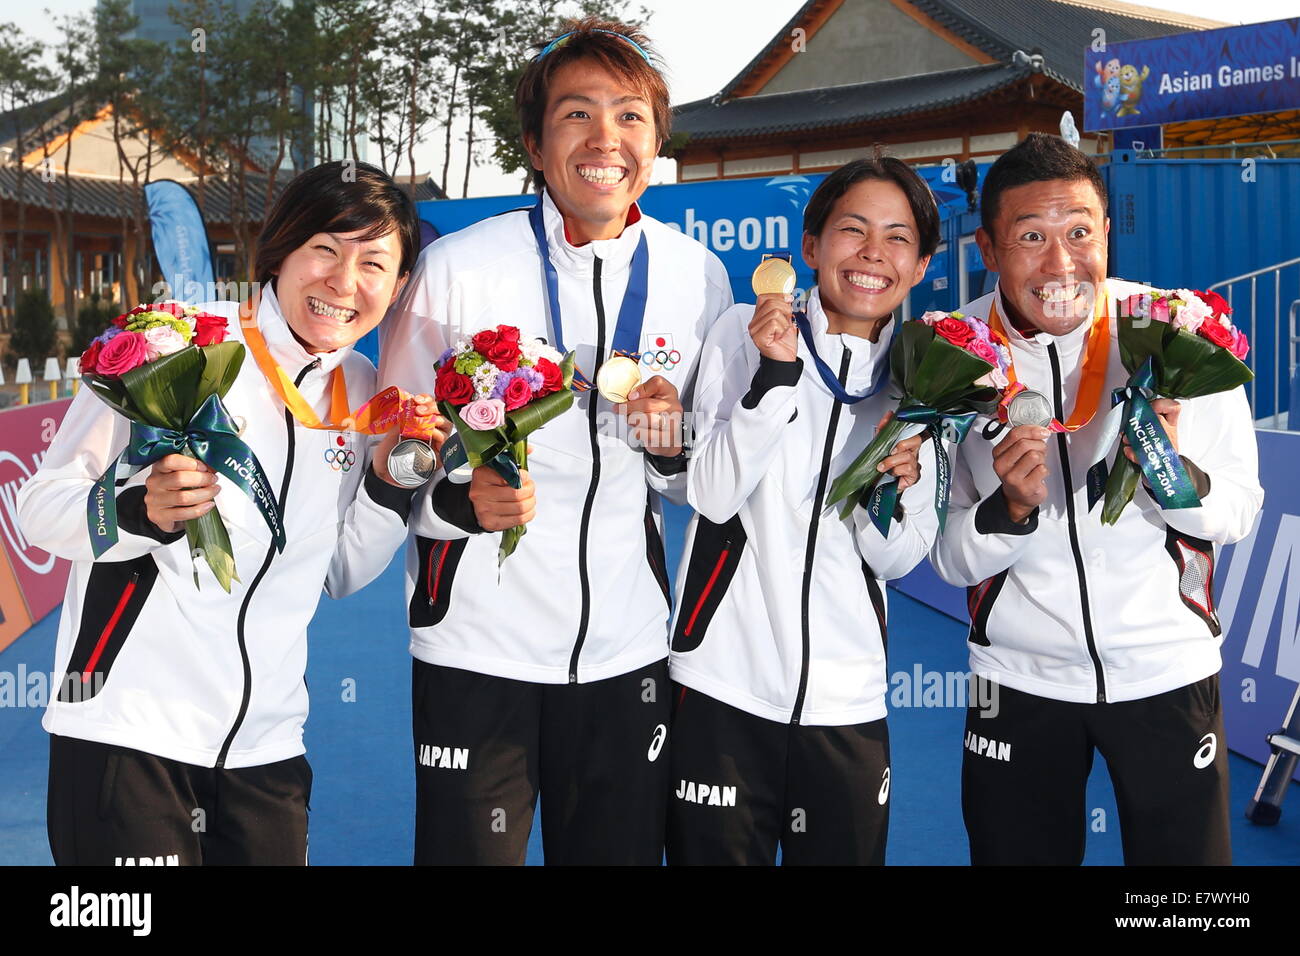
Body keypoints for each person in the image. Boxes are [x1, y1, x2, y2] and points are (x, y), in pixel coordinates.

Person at [18, 160, 446, 865]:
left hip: (268, 750)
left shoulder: (363, 392)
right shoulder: (176, 346)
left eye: (374, 263)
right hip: (130, 734)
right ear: (281, 251)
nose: (344, 283)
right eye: (325, 249)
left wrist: (385, 484)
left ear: (396, 288)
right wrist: (138, 511)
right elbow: (40, 508)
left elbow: (338, 572)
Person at [379, 17, 732, 865]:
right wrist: (459, 502)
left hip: (628, 647)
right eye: (576, 115)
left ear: (655, 142)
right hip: (475, 648)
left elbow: (707, 479)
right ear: (535, 145)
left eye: (630, 115)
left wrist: (671, 446)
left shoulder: (699, 277)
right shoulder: (460, 268)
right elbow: (390, 456)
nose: (604, 138)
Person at [930, 133, 1263, 865]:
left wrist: (1174, 478)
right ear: (988, 247)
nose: (1059, 264)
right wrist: (1007, 513)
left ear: (1106, 233)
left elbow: (1238, 512)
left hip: (1167, 671)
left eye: (1079, 233)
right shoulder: (949, 355)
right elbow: (949, 556)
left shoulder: (1179, 333)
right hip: (1014, 679)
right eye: (1031, 237)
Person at [665, 157, 940, 865]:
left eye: (897, 237)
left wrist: (888, 493)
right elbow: (713, 493)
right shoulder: (743, 331)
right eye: (852, 230)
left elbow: (901, 558)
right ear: (811, 247)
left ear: (921, 264)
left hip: (846, 707)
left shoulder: (927, 379)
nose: (873, 253)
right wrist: (776, 379)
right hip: (721, 687)